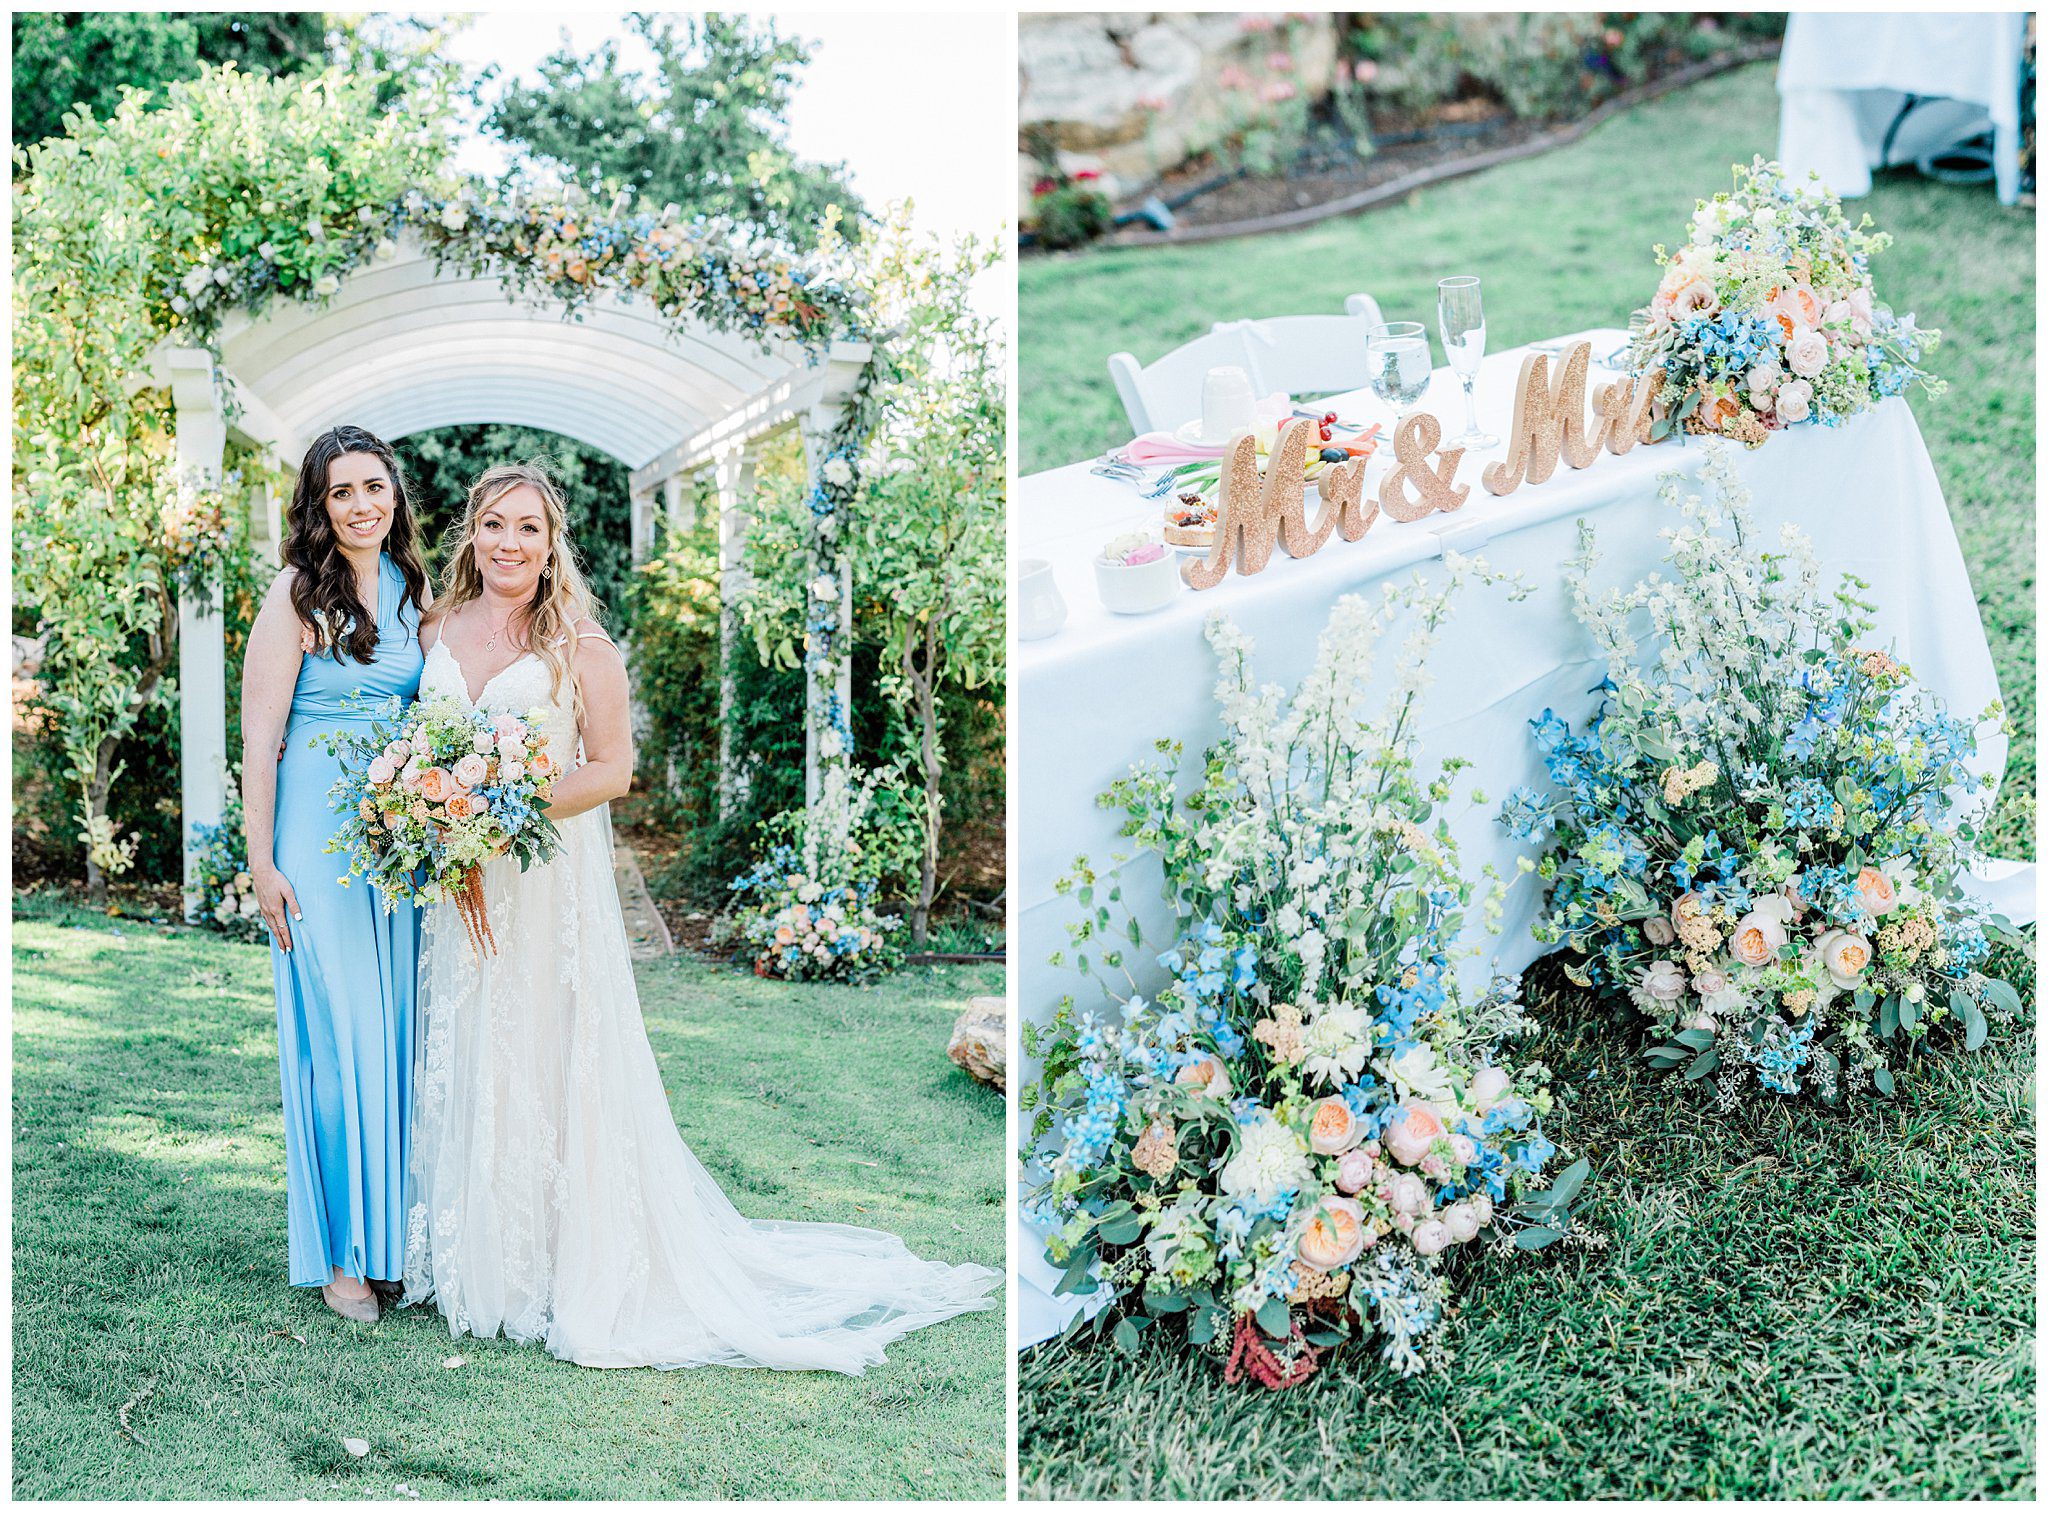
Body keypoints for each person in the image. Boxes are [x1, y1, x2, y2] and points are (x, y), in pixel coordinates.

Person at [403, 462, 996, 1371]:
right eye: (492, 524)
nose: (508, 543)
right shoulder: (434, 628)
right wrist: (436, 818)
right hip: (461, 884)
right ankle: (475, 1254)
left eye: (528, 527)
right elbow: (417, 745)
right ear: (469, 533)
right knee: (473, 1041)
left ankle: (550, 1264)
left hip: (542, 882)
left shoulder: (581, 646)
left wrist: (498, 811)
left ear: (553, 540)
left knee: (549, 1049)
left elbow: (611, 769)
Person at [240, 425, 431, 1322]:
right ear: (318, 505)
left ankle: (390, 1241)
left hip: (398, 840)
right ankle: (342, 1254)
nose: (363, 505)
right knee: (335, 1037)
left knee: (393, 1036)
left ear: (395, 493)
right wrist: (259, 859)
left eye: (375, 487)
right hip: (315, 837)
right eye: (342, 491)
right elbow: (259, 740)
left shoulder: (413, 591)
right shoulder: (293, 594)